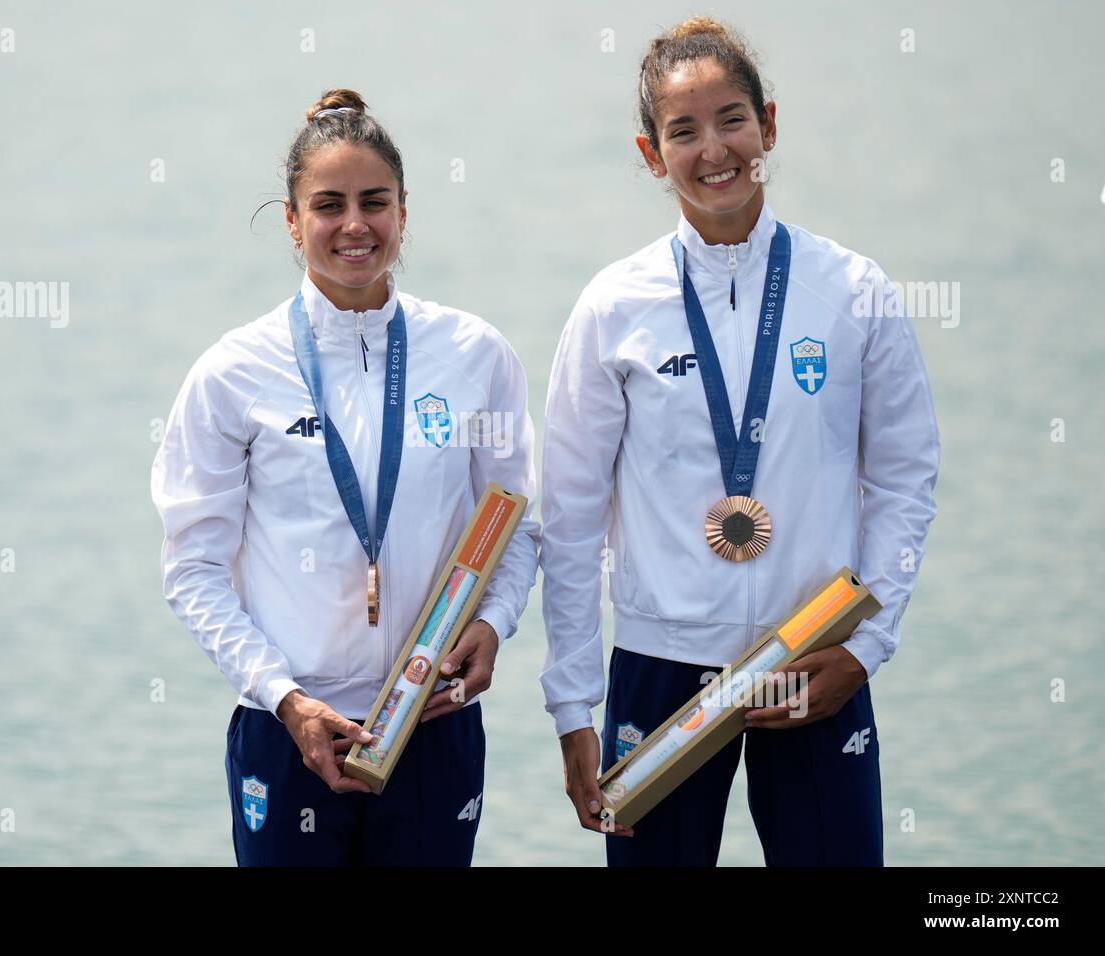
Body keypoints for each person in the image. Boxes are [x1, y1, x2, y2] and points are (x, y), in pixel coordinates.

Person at [539, 18, 940, 866]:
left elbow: (905, 483)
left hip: (815, 662)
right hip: (660, 667)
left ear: (769, 125)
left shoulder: (853, 290)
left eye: (732, 119)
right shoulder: (613, 307)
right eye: (683, 131)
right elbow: (570, 520)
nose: (713, 149)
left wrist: (866, 649)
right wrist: (573, 705)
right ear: (651, 154)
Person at [151, 89, 539, 866]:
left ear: (405, 211)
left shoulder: (475, 353)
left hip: (432, 720)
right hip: (288, 729)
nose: (355, 226)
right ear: (292, 221)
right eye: (328, 205)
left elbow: (518, 524)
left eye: (375, 202)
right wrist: (285, 699)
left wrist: (493, 626)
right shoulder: (233, 372)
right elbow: (192, 571)